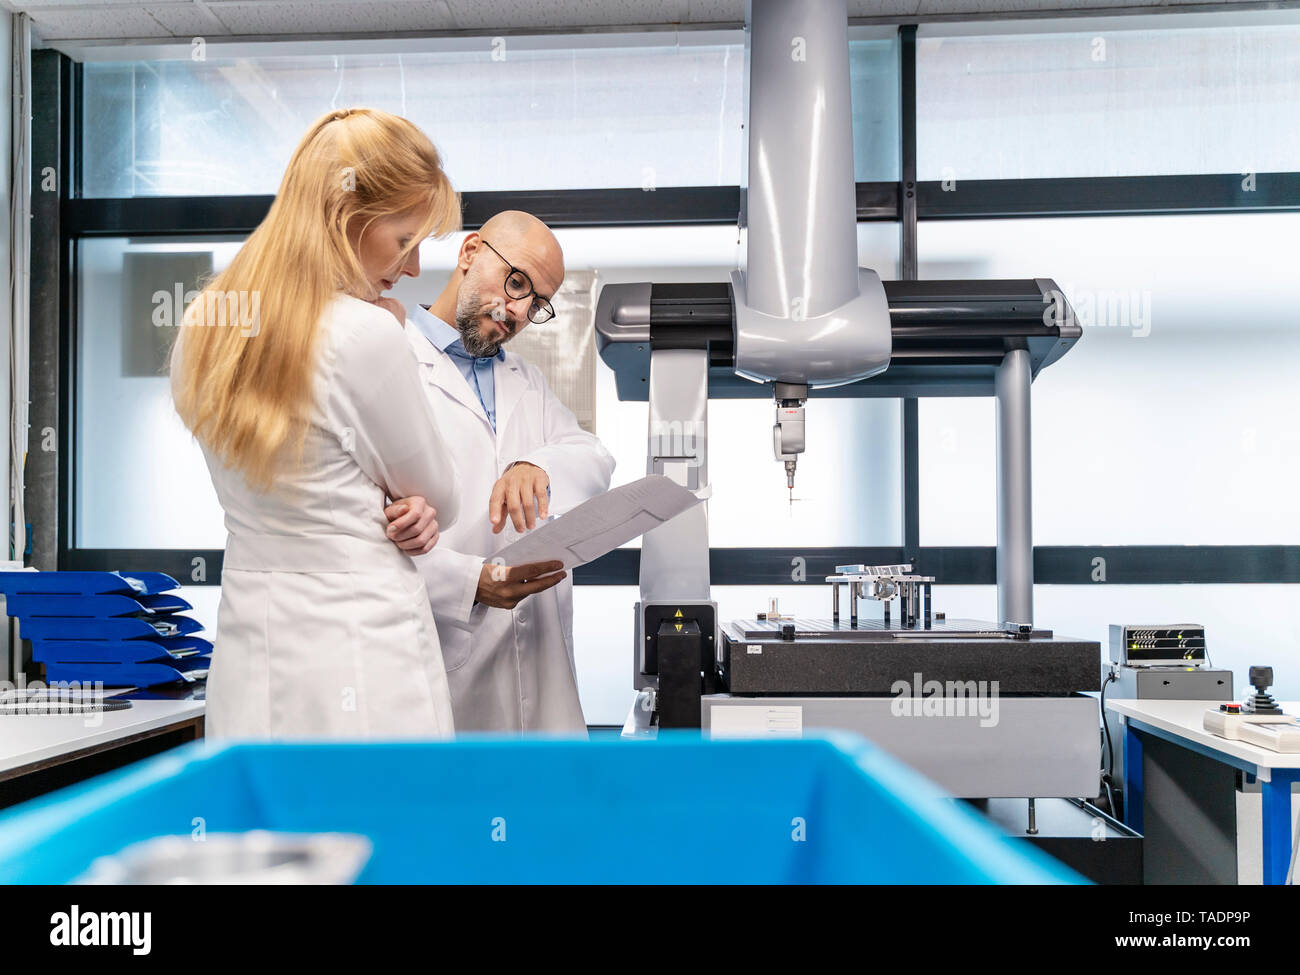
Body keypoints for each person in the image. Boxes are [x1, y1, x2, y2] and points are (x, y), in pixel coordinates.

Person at [170, 107, 468, 739]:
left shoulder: (204, 328)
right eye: (405, 241)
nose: (413, 269)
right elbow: (441, 497)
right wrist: (388, 327)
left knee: (265, 829)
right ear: (345, 217)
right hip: (363, 647)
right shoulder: (364, 333)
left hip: (253, 647)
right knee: (383, 830)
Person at [391, 210, 615, 733]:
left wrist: (535, 463)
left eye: (536, 302)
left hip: (541, 667)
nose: (517, 311)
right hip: (445, 661)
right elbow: (363, 536)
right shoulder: (394, 363)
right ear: (470, 253)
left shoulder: (525, 380)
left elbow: (592, 456)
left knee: (550, 810)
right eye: (516, 283)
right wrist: (470, 583)